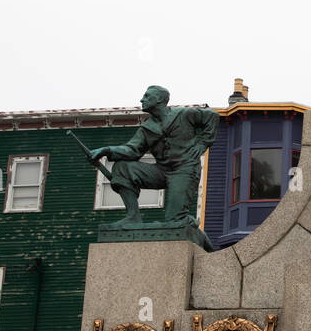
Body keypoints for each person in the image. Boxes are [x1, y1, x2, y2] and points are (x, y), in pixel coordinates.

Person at [88, 85, 218, 230]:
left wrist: (203, 143)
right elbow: (132, 150)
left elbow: (212, 116)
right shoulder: (146, 128)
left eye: (147, 96)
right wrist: (107, 150)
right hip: (161, 171)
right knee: (122, 167)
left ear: (160, 100)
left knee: (174, 221)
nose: (142, 99)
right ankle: (133, 217)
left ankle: (189, 222)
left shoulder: (183, 114)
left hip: (184, 169)